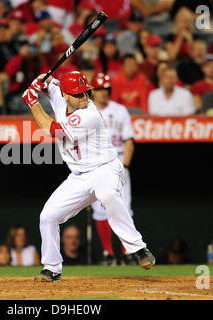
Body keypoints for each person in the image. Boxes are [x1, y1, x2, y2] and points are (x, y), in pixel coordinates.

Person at [22, 71, 155, 282]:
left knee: (107, 194)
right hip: (78, 176)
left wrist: (33, 102)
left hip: (106, 169)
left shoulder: (89, 114)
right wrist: (40, 80)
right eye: (78, 94)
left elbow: (51, 129)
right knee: (47, 216)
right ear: (65, 95)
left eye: (86, 93)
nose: (84, 98)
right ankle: (52, 268)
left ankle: (138, 249)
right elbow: (49, 79)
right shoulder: (60, 94)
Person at [90, 73, 135, 265]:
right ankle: (108, 253)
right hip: (95, 163)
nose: (103, 93)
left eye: (106, 89)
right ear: (92, 92)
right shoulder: (85, 111)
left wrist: (125, 165)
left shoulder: (120, 110)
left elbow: (129, 142)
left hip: (116, 159)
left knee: (124, 207)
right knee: (100, 210)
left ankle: (128, 251)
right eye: (99, 89)